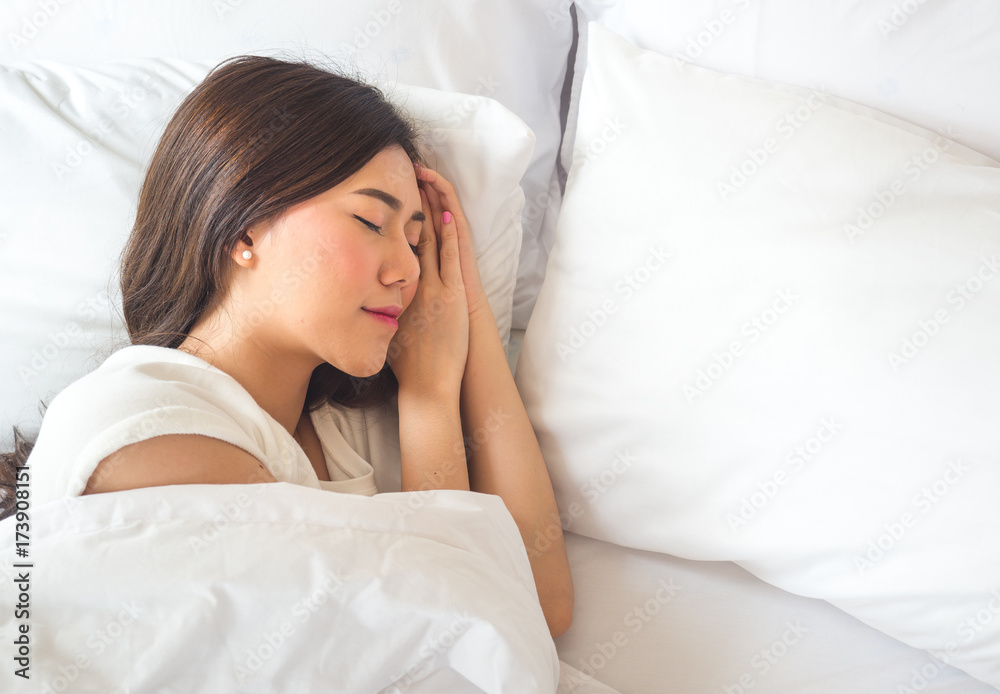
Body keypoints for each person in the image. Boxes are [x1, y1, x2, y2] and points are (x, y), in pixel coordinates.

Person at [0, 55, 573, 637]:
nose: (408, 270)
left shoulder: (345, 431)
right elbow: (449, 640)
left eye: (417, 242)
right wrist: (429, 404)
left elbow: (541, 608)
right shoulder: (146, 425)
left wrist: (461, 322)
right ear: (244, 227)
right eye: (372, 222)